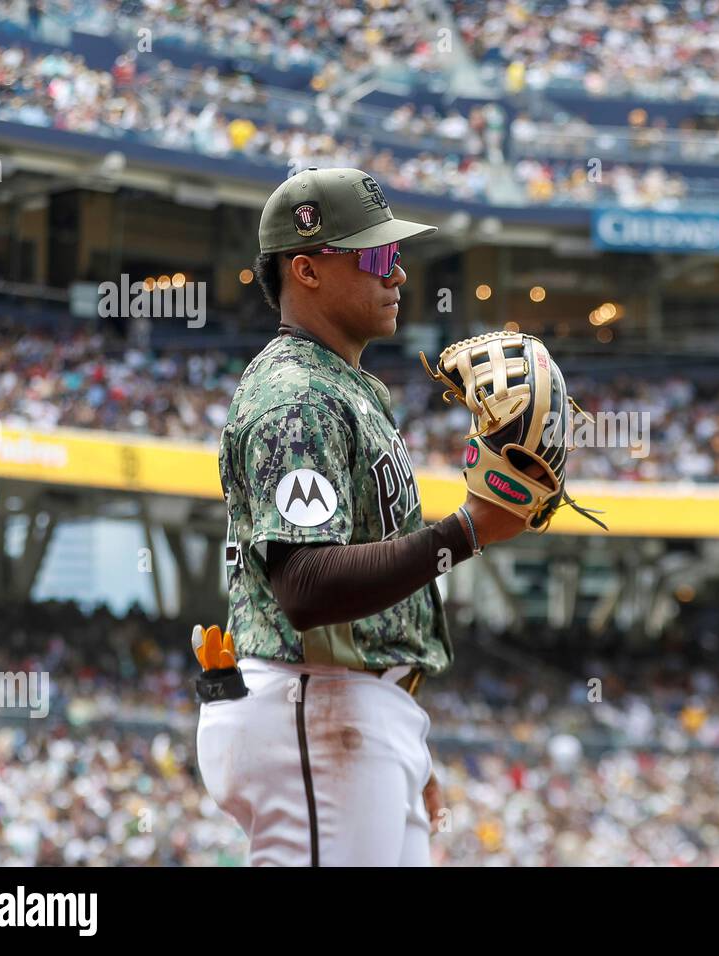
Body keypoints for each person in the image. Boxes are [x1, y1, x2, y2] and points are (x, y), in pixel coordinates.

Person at [196, 166, 525, 866]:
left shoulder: (344, 386)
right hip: (314, 706)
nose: (397, 274)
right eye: (375, 256)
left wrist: (403, 734)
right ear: (307, 270)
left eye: (396, 256)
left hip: (349, 709)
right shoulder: (297, 395)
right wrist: (468, 531)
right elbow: (306, 586)